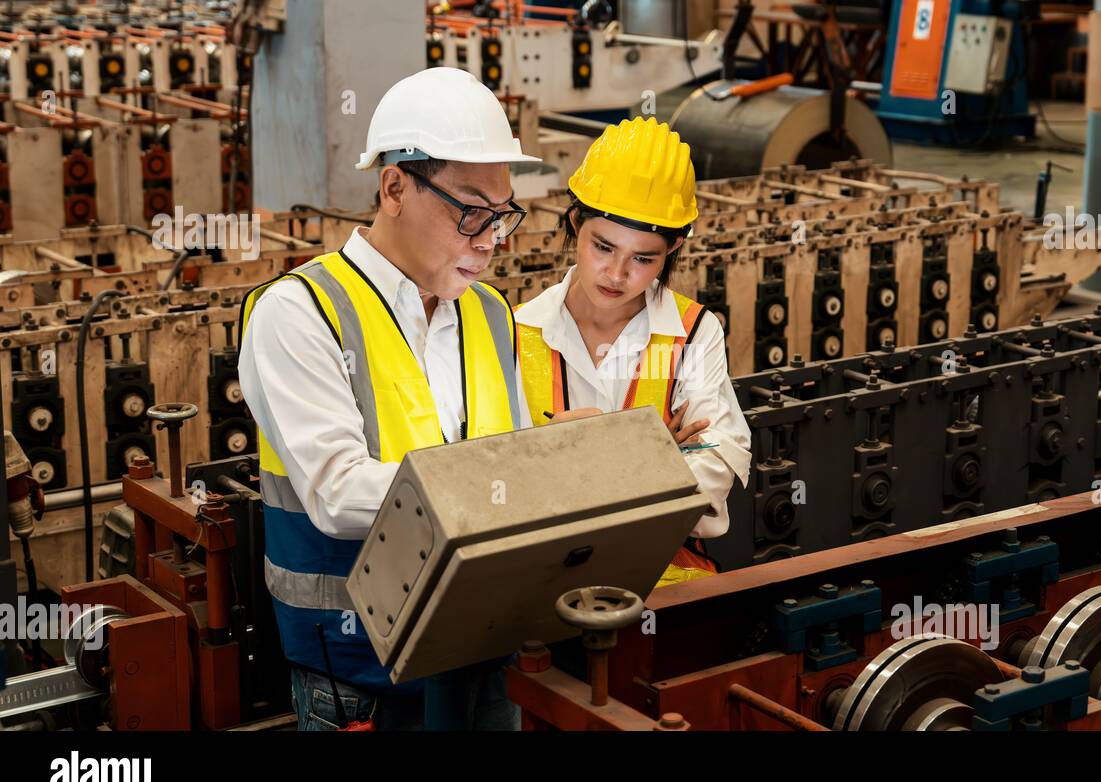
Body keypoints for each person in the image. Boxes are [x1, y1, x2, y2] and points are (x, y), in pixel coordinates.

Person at [238, 67, 537, 730]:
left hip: (486, 659)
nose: (491, 238)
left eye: (503, 213)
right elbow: (339, 493)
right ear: (395, 185)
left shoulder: (490, 313)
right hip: (361, 680)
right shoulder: (301, 312)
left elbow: (519, 462)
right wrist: (501, 482)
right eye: (471, 211)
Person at [514, 117, 750, 585]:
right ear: (575, 222)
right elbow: (501, 480)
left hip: (663, 577)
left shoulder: (692, 334)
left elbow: (711, 480)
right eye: (603, 246)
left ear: (674, 246)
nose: (617, 273)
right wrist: (649, 454)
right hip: (539, 580)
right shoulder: (516, 332)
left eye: (644, 258)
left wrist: (566, 453)